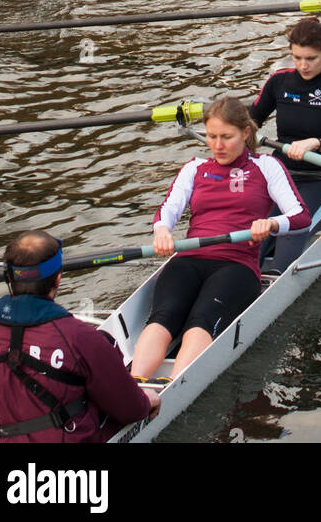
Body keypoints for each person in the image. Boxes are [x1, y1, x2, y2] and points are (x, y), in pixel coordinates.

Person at [128, 97, 310, 382]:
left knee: (201, 320)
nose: (217, 145)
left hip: (236, 266)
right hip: (188, 259)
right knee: (163, 316)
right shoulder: (194, 168)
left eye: (226, 137)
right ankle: (133, 387)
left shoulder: (266, 166)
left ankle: (172, 389)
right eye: (211, 136)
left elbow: (300, 216)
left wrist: (272, 223)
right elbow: (168, 210)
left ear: (245, 134)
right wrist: (162, 231)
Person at [0, 230, 158, 443]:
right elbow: (130, 410)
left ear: (9, 278)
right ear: (57, 279)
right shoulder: (80, 337)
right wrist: (147, 401)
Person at [251, 18, 321, 272]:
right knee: (253, 235)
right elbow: (250, 121)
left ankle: (274, 282)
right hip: (279, 177)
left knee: (292, 229)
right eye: (296, 58)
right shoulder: (279, 81)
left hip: (320, 180)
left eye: (310, 58)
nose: (303, 65)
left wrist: (316, 143)